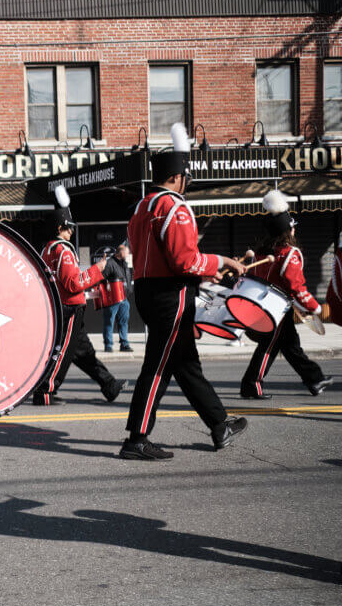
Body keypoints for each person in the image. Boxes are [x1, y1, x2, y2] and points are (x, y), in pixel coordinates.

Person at [121, 124, 248, 460]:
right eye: (186, 177)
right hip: (170, 295)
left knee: (186, 363)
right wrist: (221, 260)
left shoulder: (141, 207)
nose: (187, 182)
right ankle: (136, 438)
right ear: (178, 177)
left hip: (148, 290)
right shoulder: (175, 207)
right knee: (158, 366)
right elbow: (183, 260)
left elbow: (167, 258)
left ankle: (219, 425)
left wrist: (207, 271)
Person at [31, 186, 125, 406]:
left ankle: (109, 385)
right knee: (63, 351)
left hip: (60, 306)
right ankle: (45, 392)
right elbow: (73, 283)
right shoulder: (64, 249)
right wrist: (98, 270)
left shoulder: (48, 249)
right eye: (68, 228)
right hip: (70, 307)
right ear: (60, 228)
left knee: (83, 352)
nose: (71, 232)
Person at [239, 191, 332, 399]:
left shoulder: (262, 252)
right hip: (277, 309)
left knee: (291, 347)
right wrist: (315, 307)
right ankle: (250, 385)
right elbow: (297, 287)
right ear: (287, 230)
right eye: (292, 226)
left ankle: (314, 379)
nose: (294, 229)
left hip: (264, 307)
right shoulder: (290, 254)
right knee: (270, 347)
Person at [101, 243, 133, 353]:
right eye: (127, 253)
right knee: (109, 322)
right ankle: (108, 345)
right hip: (112, 299)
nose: (128, 255)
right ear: (121, 252)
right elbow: (102, 279)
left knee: (124, 321)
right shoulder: (110, 263)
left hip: (124, 298)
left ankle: (124, 344)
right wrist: (108, 292)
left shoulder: (125, 264)